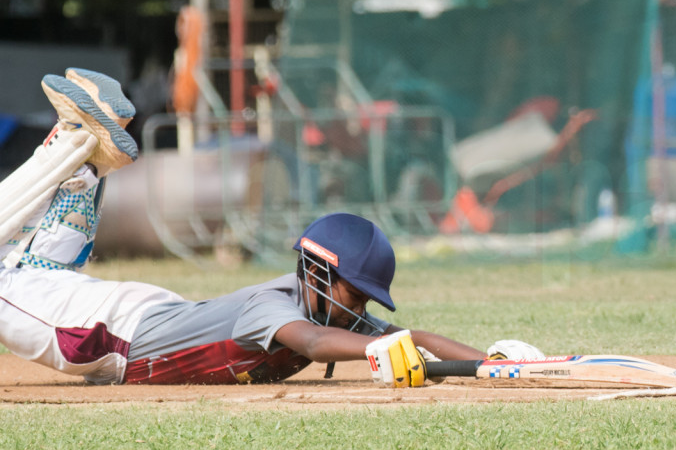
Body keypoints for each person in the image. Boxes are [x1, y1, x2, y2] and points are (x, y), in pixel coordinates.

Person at [0, 69, 543, 385]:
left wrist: (487, 361)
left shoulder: (326, 308)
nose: (360, 312)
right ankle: (80, 147)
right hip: (106, 335)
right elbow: (310, 340)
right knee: (23, 271)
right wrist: (392, 345)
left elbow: (408, 341)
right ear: (319, 272)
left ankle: (82, 147)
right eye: (356, 294)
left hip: (128, 317)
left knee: (41, 267)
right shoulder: (276, 304)